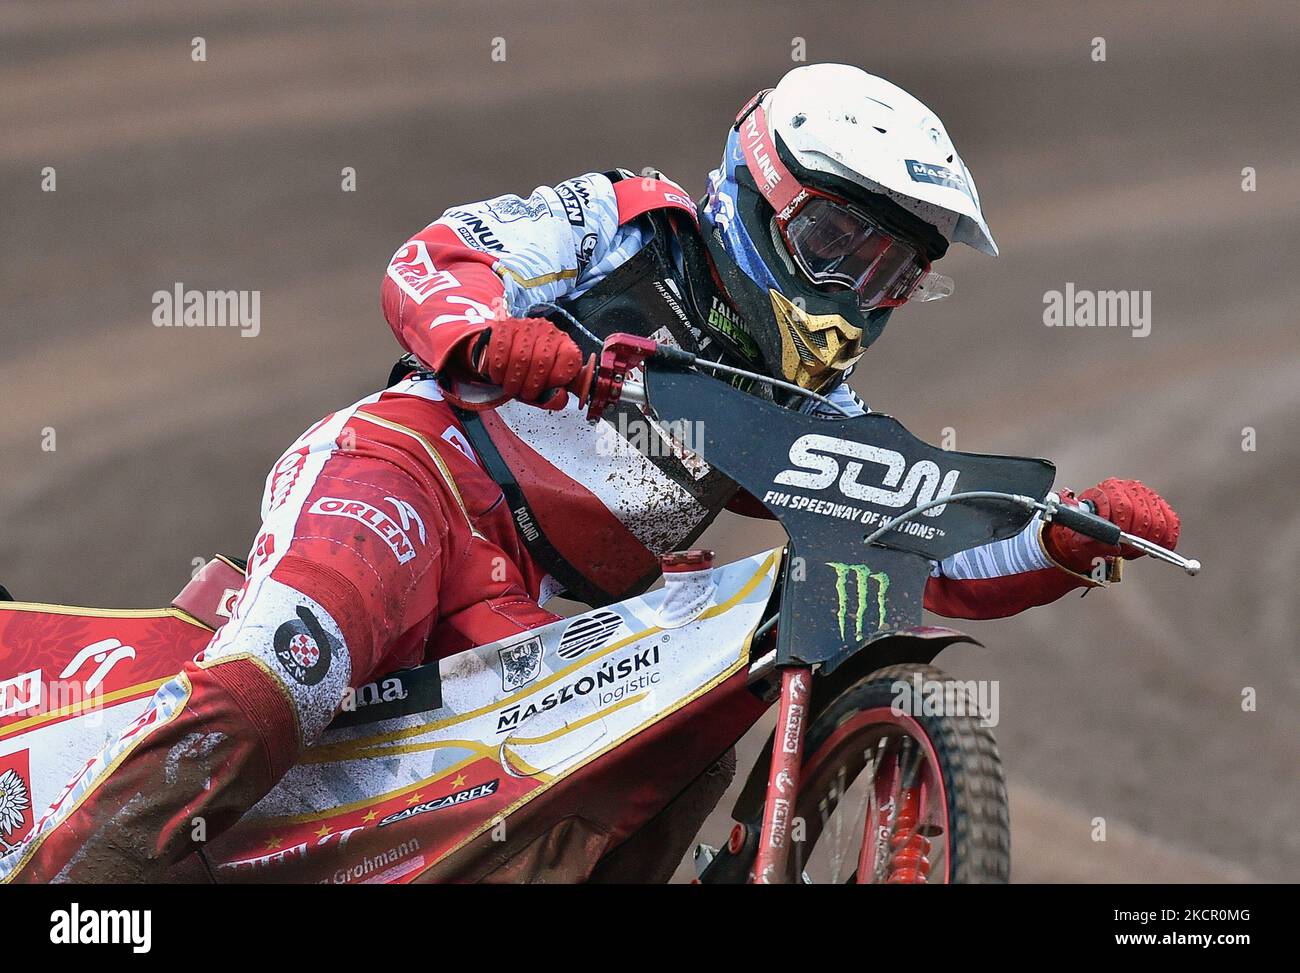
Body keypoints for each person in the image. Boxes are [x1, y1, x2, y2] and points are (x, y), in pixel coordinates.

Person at [2, 63, 1179, 883]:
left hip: (542, 610)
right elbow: (440, 256)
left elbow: (912, 530)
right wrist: (490, 332)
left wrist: (1057, 536)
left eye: (885, 273)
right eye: (832, 244)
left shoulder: (811, 409)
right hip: (415, 478)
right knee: (286, 672)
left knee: (673, 724)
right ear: (759, 192)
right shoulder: (631, 222)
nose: (848, 292)